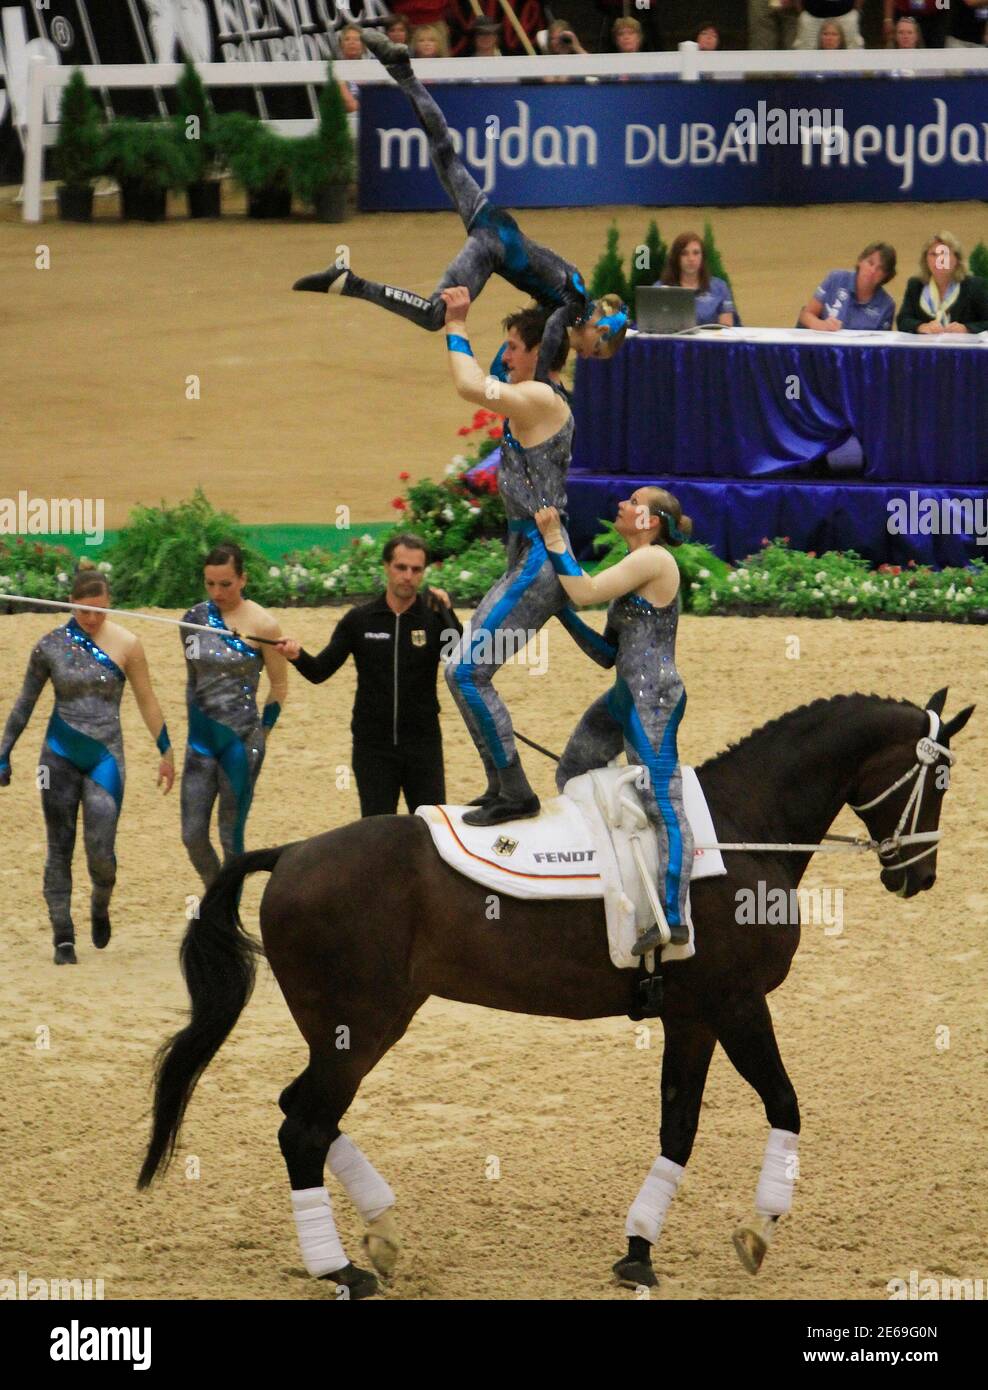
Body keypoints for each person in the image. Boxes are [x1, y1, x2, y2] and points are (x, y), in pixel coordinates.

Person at [293, 26, 628, 389]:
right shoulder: (573, 309)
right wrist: (543, 385)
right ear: (598, 329)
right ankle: (349, 282)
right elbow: (547, 337)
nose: (586, 356)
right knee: (435, 315)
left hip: (495, 221)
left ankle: (402, 70)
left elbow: (523, 333)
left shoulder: (576, 290)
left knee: (444, 148)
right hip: (493, 247)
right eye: (595, 351)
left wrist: (500, 379)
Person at [441, 286, 623, 825]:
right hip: (527, 552)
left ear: (538, 351)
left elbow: (468, 384)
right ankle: (501, 785)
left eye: (515, 347)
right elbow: (491, 373)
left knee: (466, 672)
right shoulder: (541, 392)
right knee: (462, 670)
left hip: (539, 561)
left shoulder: (541, 398)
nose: (506, 356)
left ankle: (515, 790)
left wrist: (456, 323)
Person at [534, 488, 693, 954]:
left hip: (653, 700)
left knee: (663, 801)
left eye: (633, 501)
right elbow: (607, 653)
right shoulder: (634, 565)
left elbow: (585, 590)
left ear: (650, 520)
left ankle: (672, 916)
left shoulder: (655, 560)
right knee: (573, 769)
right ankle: (607, 864)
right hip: (625, 695)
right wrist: (561, 613)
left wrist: (554, 538)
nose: (623, 504)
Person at [0, 566, 174, 964]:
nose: (91, 619)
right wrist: (4, 751)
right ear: (71, 604)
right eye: (83, 611)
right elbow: (25, 702)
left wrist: (165, 750)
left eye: (99, 611)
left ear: (110, 604)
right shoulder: (49, 646)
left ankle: (100, 901)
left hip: (105, 757)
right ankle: (63, 936)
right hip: (57, 755)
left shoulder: (128, 644)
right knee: (59, 847)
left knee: (101, 850)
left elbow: (146, 698)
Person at [277, 535, 461, 817]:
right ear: (386, 566)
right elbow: (319, 671)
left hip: (423, 746)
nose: (408, 576)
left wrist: (448, 614)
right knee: (377, 832)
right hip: (373, 748)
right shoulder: (360, 620)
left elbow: (462, 661)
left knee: (431, 828)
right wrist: (297, 655)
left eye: (416, 570)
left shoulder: (432, 619)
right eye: (401, 567)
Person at [180, 542, 287, 888]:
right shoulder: (193, 620)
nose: (217, 593)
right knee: (192, 835)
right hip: (200, 743)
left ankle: (224, 910)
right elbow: (194, 680)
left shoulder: (264, 625)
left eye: (225, 584)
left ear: (243, 579)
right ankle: (216, 893)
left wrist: (262, 733)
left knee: (231, 836)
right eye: (210, 584)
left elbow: (279, 686)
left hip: (241, 744)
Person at [897, 232, 988, 335]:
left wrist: (967, 328)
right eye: (933, 254)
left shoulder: (974, 286)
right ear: (925, 259)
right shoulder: (916, 285)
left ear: (957, 259)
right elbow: (903, 320)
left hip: (961, 345)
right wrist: (921, 326)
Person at [798, 242, 897, 331]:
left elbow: (883, 342)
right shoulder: (836, 279)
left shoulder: (887, 305)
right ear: (860, 261)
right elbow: (806, 315)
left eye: (880, 269)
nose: (872, 271)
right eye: (870, 263)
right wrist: (821, 325)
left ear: (886, 276)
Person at [659, 231, 735, 327]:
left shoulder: (720, 287)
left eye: (696, 253)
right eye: (684, 253)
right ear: (676, 258)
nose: (691, 259)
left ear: (702, 257)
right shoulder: (660, 288)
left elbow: (726, 327)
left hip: (710, 337)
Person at [794, 2, 863, 50]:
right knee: (805, 49)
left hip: (846, 14)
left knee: (853, 48)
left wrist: (856, 9)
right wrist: (800, 10)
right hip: (811, 15)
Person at [883, 0, 948, 49]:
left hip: (934, 14)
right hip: (905, 11)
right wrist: (888, 19)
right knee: (903, 43)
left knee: (936, 49)